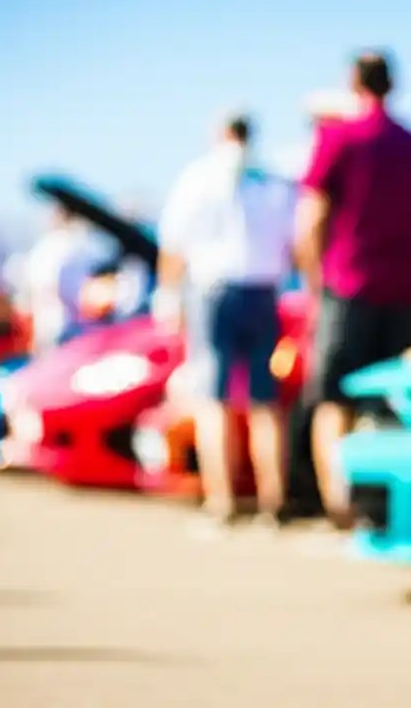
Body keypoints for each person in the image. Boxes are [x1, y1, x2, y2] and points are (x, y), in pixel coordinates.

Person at [296, 51, 411, 529]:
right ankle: (380, 509)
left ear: (353, 83)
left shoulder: (338, 137)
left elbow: (313, 217)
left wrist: (312, 282)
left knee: (333, 399)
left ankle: (340, 508)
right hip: (404, 288)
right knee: (388, 401)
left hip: (347, 285)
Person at [155, 113, 294, 528]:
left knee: (212, 399)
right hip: (263, 291)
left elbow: (174, 245)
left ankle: (223, 501)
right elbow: (296, 241)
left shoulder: (198, 177)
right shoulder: (274, 181)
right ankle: (273, 501)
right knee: (263, 401)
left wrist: (167, 296)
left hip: (213, 291)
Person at [25, 202, 121, 353]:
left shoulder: (40, 250)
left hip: (46, 333)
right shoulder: (78, 246)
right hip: (77, 335)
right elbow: (88, 298)